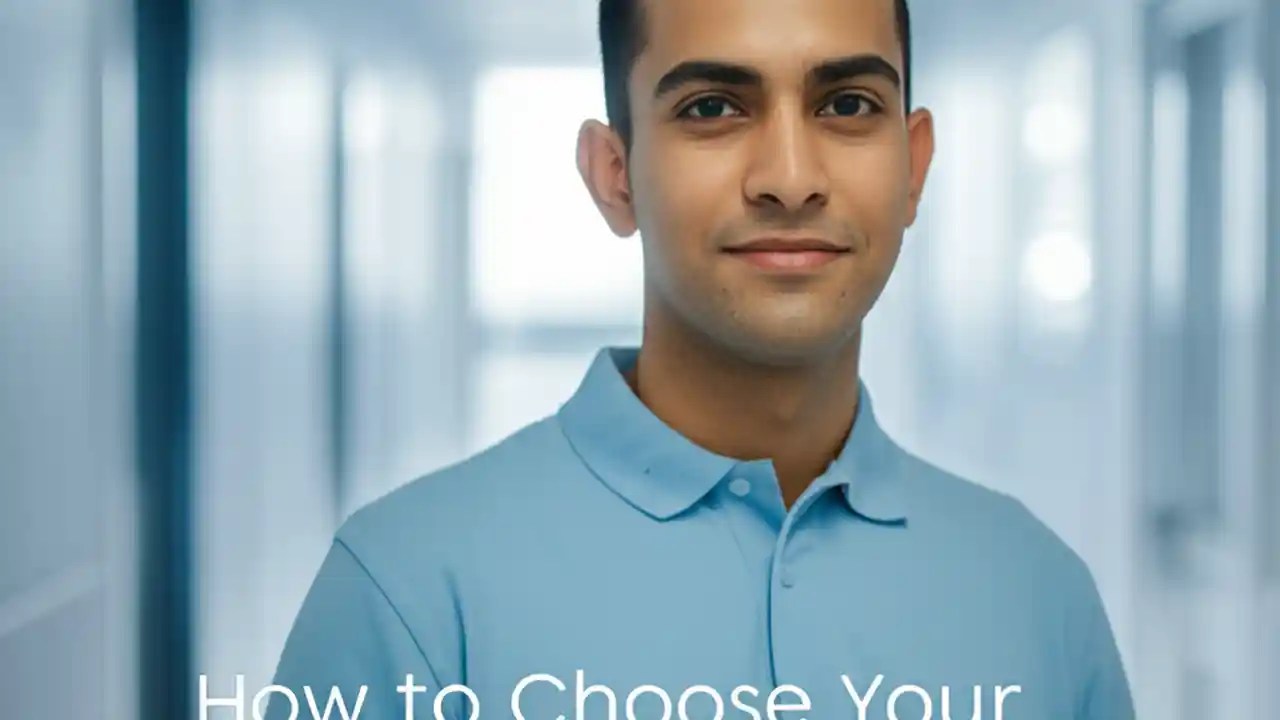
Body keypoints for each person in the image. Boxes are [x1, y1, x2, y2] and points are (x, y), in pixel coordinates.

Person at [265, 1, 1135, 718]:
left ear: (913, 168)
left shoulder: (1039, 596)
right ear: (615, 175)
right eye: (713, 108)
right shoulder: (408, 591)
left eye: (845, 105)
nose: (789, 178)